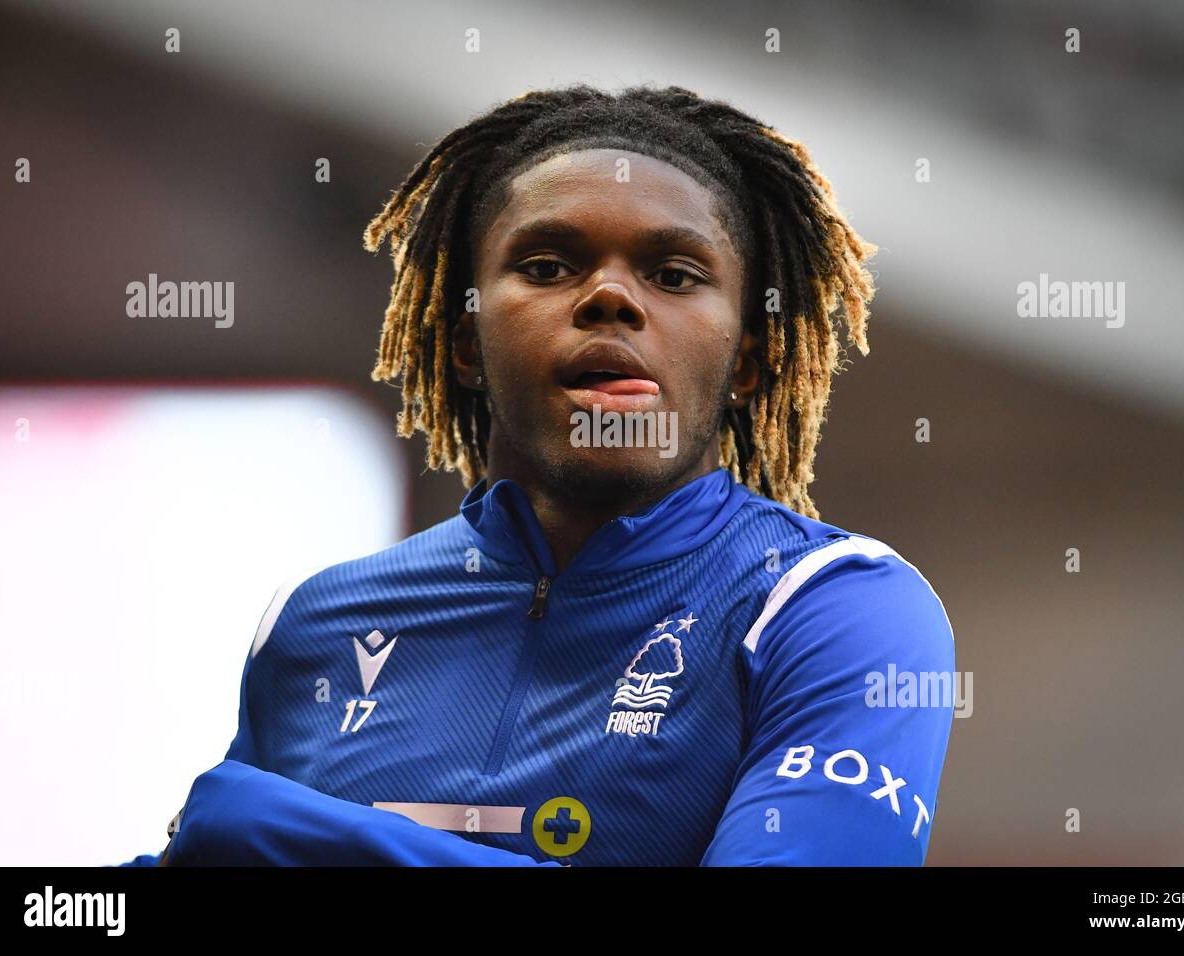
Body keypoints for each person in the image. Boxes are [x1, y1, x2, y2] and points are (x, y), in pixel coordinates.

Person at [119, 84, 955, 867]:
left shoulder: (832, 608)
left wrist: (291, 830)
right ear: (463, 345)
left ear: (748, 361)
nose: (611, 299)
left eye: (674, 276)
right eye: (549, 266)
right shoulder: (314, 624)